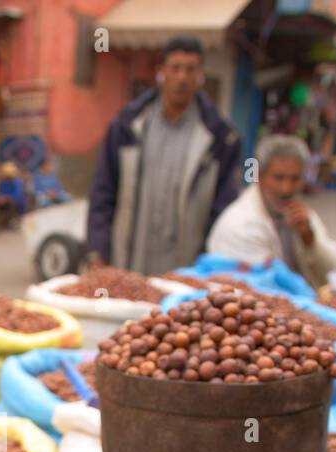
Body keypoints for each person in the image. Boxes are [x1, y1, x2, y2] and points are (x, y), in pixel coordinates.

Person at [86, 35, 242, 274]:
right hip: (129, 263)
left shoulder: (220, 138)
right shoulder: (127, 126)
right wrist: (98, 250)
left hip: (186, 273)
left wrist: (212, 266)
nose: (182, 78)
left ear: (200, 75)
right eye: (175, 68)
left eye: (191, 70)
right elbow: (102, 192)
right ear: (161, 72)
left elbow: (224, 211)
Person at [206, 135, 336, 289]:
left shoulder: (301, 215)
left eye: (295, 179)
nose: (286, 188)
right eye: (279, 178)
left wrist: (309, 240)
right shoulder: (240, 224)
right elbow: (261, 289)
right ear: (259, 176)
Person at [0, 162, 27, 229]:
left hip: (15, 201)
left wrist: (6, 198)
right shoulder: (2, 182)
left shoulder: (17, 182)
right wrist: (0, 199)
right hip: (3, 200)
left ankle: (7, 222)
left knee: (11, 204)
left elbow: (17, 195)